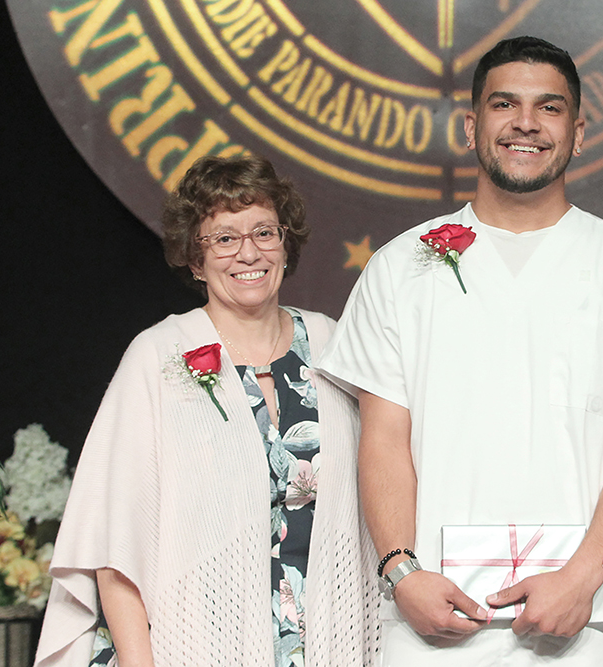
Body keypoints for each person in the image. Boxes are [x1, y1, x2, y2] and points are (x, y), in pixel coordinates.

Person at [319, 36, 603, 666]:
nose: (525, 123)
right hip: (433, 620)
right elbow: (382, 441)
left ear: (577, 132)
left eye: (549, 108)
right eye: (504, 105)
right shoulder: (400, 266)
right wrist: (401, 572)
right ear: (471, 126)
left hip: (584, 618)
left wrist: (582, 577)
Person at [34, 155, 379, 666]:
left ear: (286, 244)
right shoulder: (158, 357)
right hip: (192, 645)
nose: (248, 252)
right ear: (195, 260)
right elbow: (116, 541)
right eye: (223, 238)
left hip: (329, 644)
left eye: (264, 231)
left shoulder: (334, 345)